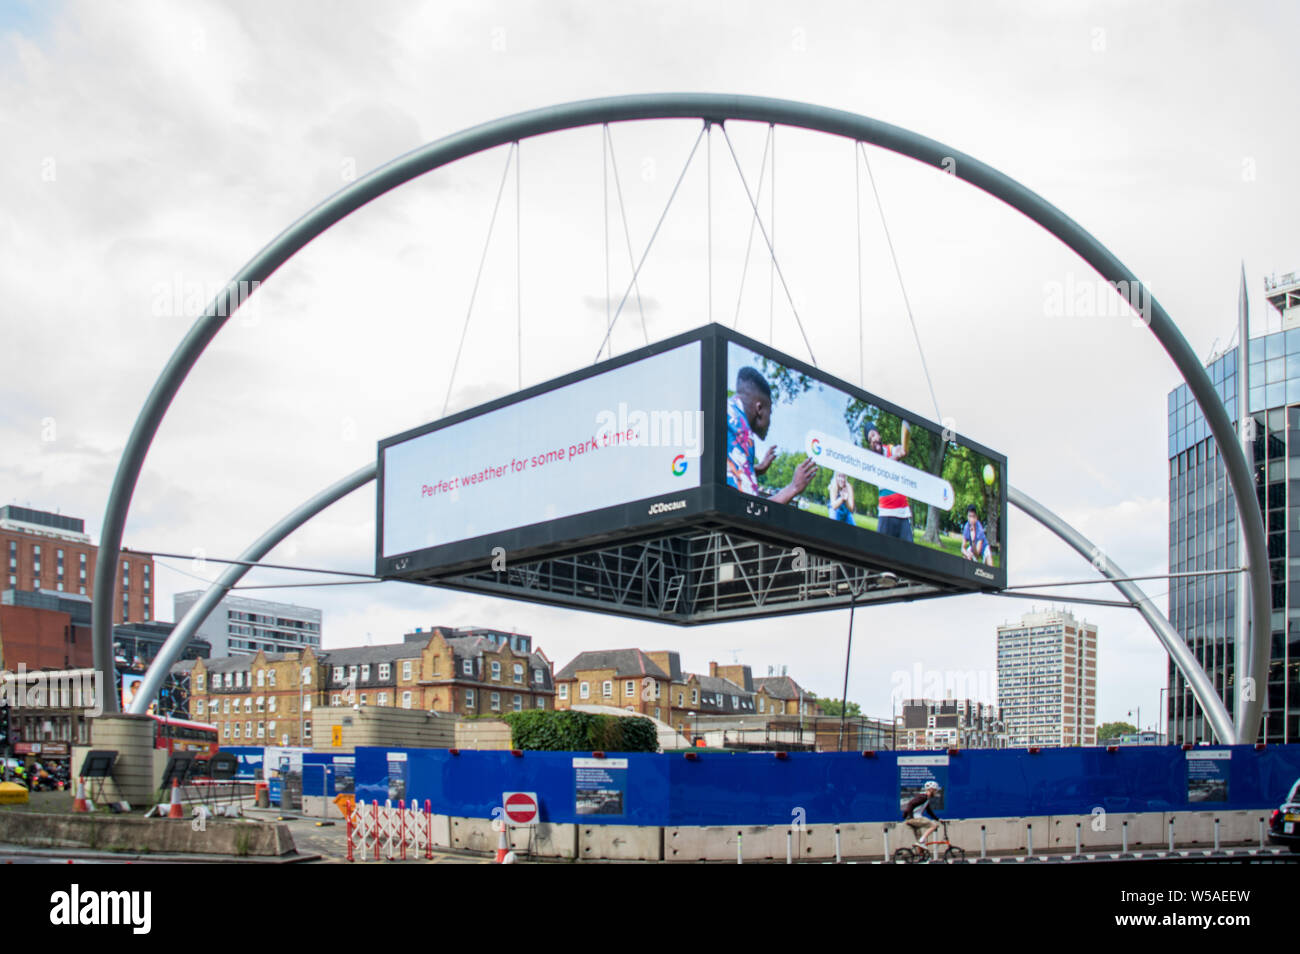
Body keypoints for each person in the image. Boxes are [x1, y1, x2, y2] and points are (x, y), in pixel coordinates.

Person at [726, 366, 817, 504]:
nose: (770, 422)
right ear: (759, 409)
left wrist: (755, 469)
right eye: (771, 413)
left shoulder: (728, 409)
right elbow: (748, 510)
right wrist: (793, 488)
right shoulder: (740, 430)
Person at [863, 419, 912, 541]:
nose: (873, 439)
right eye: (870, 439)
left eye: (873, 435)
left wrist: (901, 450)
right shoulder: (872, 459)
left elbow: (900, 450)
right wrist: (895, 458)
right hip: (886, 513)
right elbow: (883, 467)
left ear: (879, 435)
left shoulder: (890, 449)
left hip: (903, 513)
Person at [902, 780, 942, 854]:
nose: (936, 792)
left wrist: (938, 819)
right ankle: (921, 841)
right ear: (931, 789)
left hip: (912, 819)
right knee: (933, 825)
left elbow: (929, 811)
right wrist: (911, 817)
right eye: (935, 790)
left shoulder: (926, 799)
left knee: (921, 844)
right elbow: (911, 804)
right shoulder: (923, 797)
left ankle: (920, 857)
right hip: (914, 819)